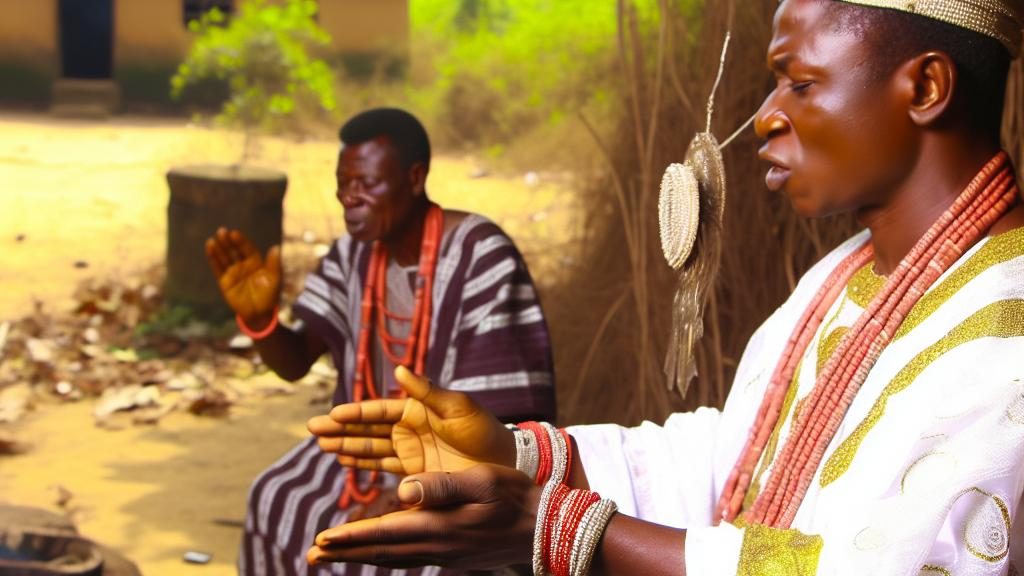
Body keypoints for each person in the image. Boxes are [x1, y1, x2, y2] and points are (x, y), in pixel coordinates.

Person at [304, 1, 1024, 574]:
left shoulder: (1008, 330)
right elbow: (735, 464)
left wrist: (556, 529)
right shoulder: (843, 276)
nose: (768, 116)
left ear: (926, 88)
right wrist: (521, 452)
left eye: (799, 83)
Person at [204, 107, 556, 575]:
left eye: (366, 184)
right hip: (359, 453)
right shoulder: (353, 252)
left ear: (415, 178)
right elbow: (294, 362)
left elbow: (506, 419)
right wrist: (260, 320)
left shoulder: (480, 253)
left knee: (401, 557)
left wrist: (406, 494)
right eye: (343, 184)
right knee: (274, 498)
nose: (350, 198)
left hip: (459, 465)